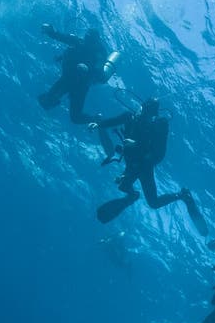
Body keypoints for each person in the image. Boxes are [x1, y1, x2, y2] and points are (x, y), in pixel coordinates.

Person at [89, 97, 208, 236]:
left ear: (154, 115)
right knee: (124, 186)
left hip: (144, 167)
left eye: (149, 114)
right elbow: (112, 121)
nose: (144, 115)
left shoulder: (159, 126)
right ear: (141, 107)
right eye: (144, 110)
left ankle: (182, 195)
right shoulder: (130, 117)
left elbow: (159, 154)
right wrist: (98, 124)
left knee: (153, 203)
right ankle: (132, 195)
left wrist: (137, 145)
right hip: (130, 162)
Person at [38, 23, 119, 124]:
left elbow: (98, 72)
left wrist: (88, 70)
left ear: (96, 42)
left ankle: (95, 119)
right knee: (46, 101)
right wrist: (50, 31)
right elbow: (60, 36)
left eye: (90, 41)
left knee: (75, 118)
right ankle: (51, 104)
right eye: (87, 38)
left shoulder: (100, 53)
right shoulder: (78, 41)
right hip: (67, 78)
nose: (87, 42)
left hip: (81, 86)